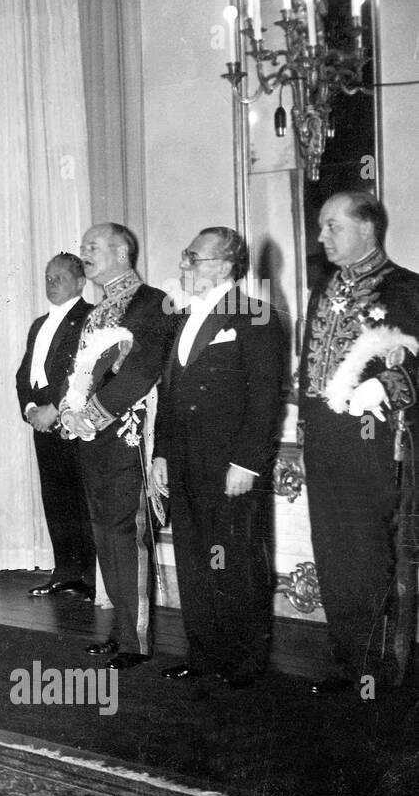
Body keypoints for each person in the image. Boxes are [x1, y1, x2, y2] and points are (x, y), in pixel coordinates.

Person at [151, 228, 285, 689]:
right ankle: (204, 653)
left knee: (236, 560)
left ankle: (245, 661)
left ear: (226, 266)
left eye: (193, 258)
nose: (183, 266)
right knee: (193, 558)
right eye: (184, 256)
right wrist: (161, 454)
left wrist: (247, 463)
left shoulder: (256, 317)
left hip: (228, 465)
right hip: (184, 462)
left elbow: (265, 398)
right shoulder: (182, 318)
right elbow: (168, 393)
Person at [298, 191, 419, 695]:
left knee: (371, 556)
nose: (322, 237)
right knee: (333, 553)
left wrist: (385, 385)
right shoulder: (322, 289)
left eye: (333, 227)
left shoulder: (407, 289)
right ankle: (349, 661)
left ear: (367, 228)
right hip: (324, 442)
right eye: (322, 228)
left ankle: (380, 670)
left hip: (372, 443)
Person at [58, 223, 170, 670]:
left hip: (127, 436)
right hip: (94, 438)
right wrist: (71, 413)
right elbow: (81, 375)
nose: (83, 252)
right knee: (105, 533)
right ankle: (122, 630)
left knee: (127, 534)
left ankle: (135, 640)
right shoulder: (96, 309)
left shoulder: (151, 302)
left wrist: (93, 414)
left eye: (92, 247)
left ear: (122, 252)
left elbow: (142, 371)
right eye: (83, 246)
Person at [15, 252, 96, 601]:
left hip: (72, 422)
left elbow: (85, 371)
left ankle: (93, 580)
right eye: (48, 277)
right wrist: (31, 407)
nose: (52, 283)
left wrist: (55, 408)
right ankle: (65, 572)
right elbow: (24, 373)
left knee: (83, 500)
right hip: (42, 424)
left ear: (80, 283)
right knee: (56, 499)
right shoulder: (38, 324)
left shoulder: (91, 317)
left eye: (59, 277)